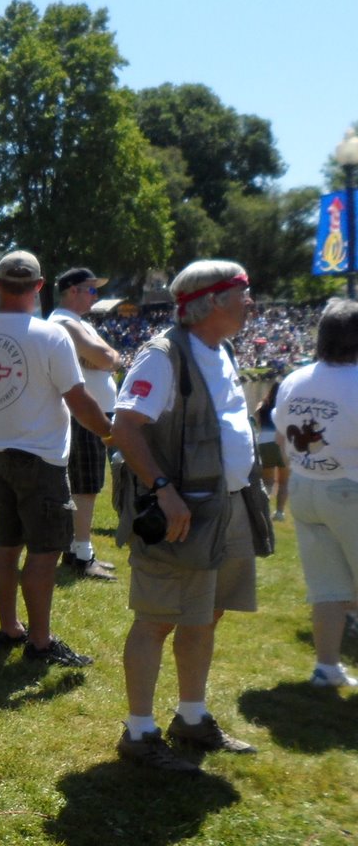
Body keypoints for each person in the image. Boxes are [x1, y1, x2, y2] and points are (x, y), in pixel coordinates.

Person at [111, 260, 271, 773]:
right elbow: (126, 426)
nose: (250, 303)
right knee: (157, 619)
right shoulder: (162, 357)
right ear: (212, 301)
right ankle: (139, 732)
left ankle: (192, 716)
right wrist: (163, 490)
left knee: (209, 614)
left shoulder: (219, 348)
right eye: (243, 293)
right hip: (182, 513)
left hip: (227, 506)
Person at [0, 252, 112, 667]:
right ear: (39, 286)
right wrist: (110, 434)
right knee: (44, 553)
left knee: (6, 545)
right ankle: (40, 642)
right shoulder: (51, 336)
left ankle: (10, 627)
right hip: (40, 458)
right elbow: (79, 399)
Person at [273, 300, 358, 688]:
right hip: (348, 489)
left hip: (305, 487)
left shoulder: (296, 378)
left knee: (327, 587)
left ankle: (327, 667)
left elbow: (279, 436)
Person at [47, 268, 123, 581]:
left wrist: (106, 358)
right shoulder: (64, 323)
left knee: (85, 485)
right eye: (91, 290)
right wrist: (105, 358)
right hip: (83, 415)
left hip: (90, 412)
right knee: (85, 486)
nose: (96, 296)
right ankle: (80, 553)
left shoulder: (78, 323)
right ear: (73, 290)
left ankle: (78, 549)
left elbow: (110, 357)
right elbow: (106, 359)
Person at [255, 379, 290, 522]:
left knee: (267, 480)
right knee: (284, 481)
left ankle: (264, 509)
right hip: (283, 443)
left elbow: (257, 421)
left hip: (264, 441)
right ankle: (280, 512)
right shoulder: (286, 406)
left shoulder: (262, 405)